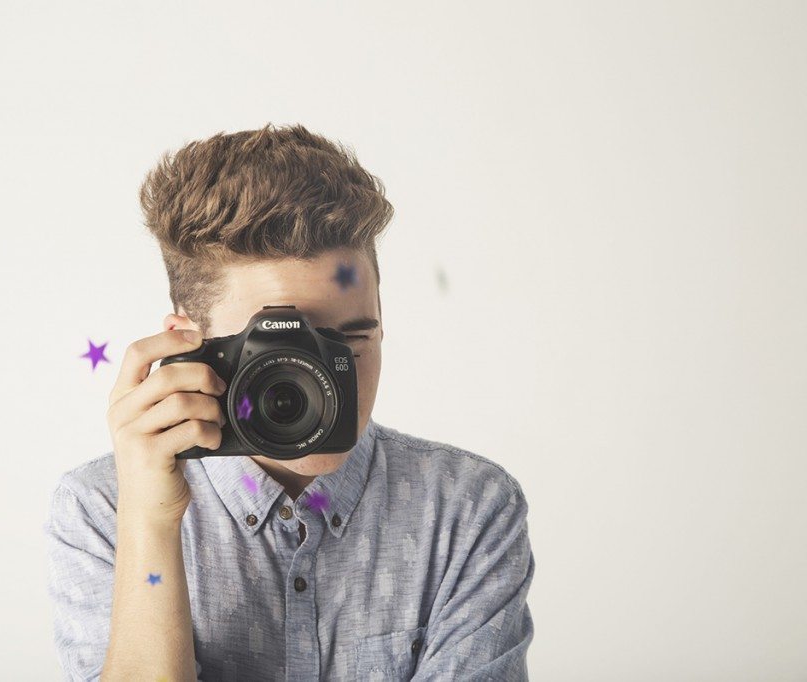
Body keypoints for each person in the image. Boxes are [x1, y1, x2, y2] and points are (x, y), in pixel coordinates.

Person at [44, 123, 535, 681]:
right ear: (190, 346)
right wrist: (151, 523)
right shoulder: (102, 508)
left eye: (350, 340)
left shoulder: (464, 508)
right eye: (282, 348)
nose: (320, 376)